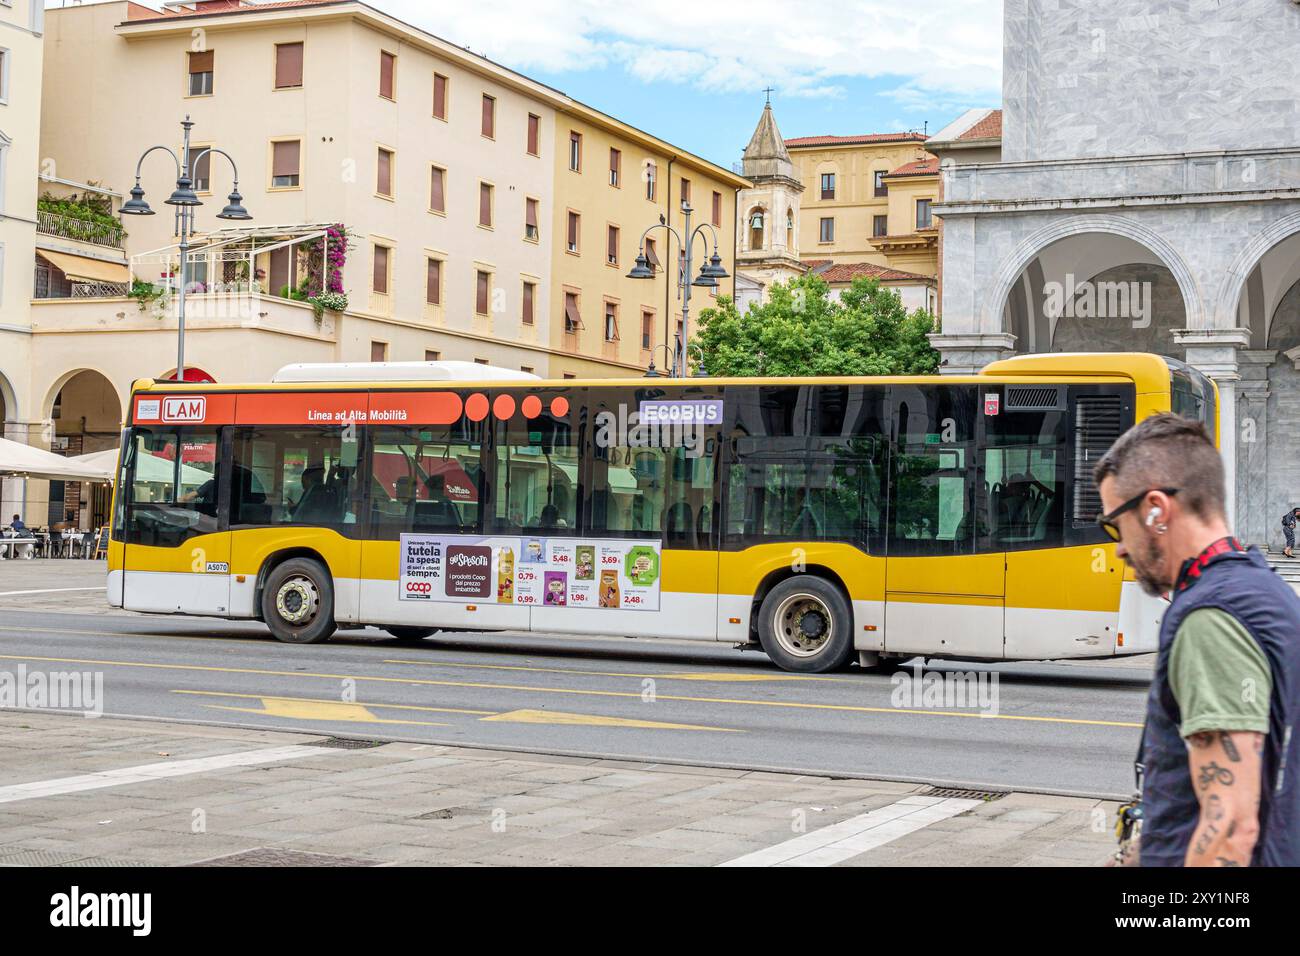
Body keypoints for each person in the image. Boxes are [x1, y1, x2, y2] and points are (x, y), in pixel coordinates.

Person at [1095, 413, 1300, 866]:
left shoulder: (1212, 615)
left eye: (1116, 524)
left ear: (1155, 509)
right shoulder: (1264, 590)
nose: (1118, 548)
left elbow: (1230, 828)